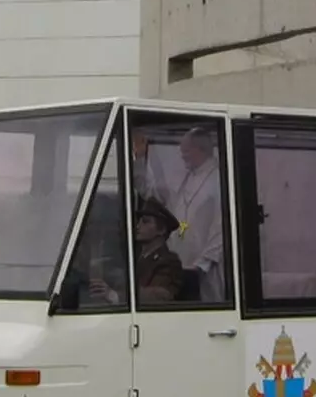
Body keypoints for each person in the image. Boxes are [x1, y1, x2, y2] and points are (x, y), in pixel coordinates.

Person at [132, 126, 225, 302]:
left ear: (201, 150)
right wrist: (140, 158)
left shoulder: (218, 180)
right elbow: (151, 194)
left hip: (206, 268)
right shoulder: (185, 176)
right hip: (181, 264)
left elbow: (223, 229)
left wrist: (202, 264)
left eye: (186, 151)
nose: (182, 155)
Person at [88, 197, 184, 305]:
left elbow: (161, 295)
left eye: (145, 222)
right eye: (139, 221)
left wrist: (114, 295)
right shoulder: (136, 256)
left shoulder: (169, 262)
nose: (138, 226)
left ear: (161, 230)